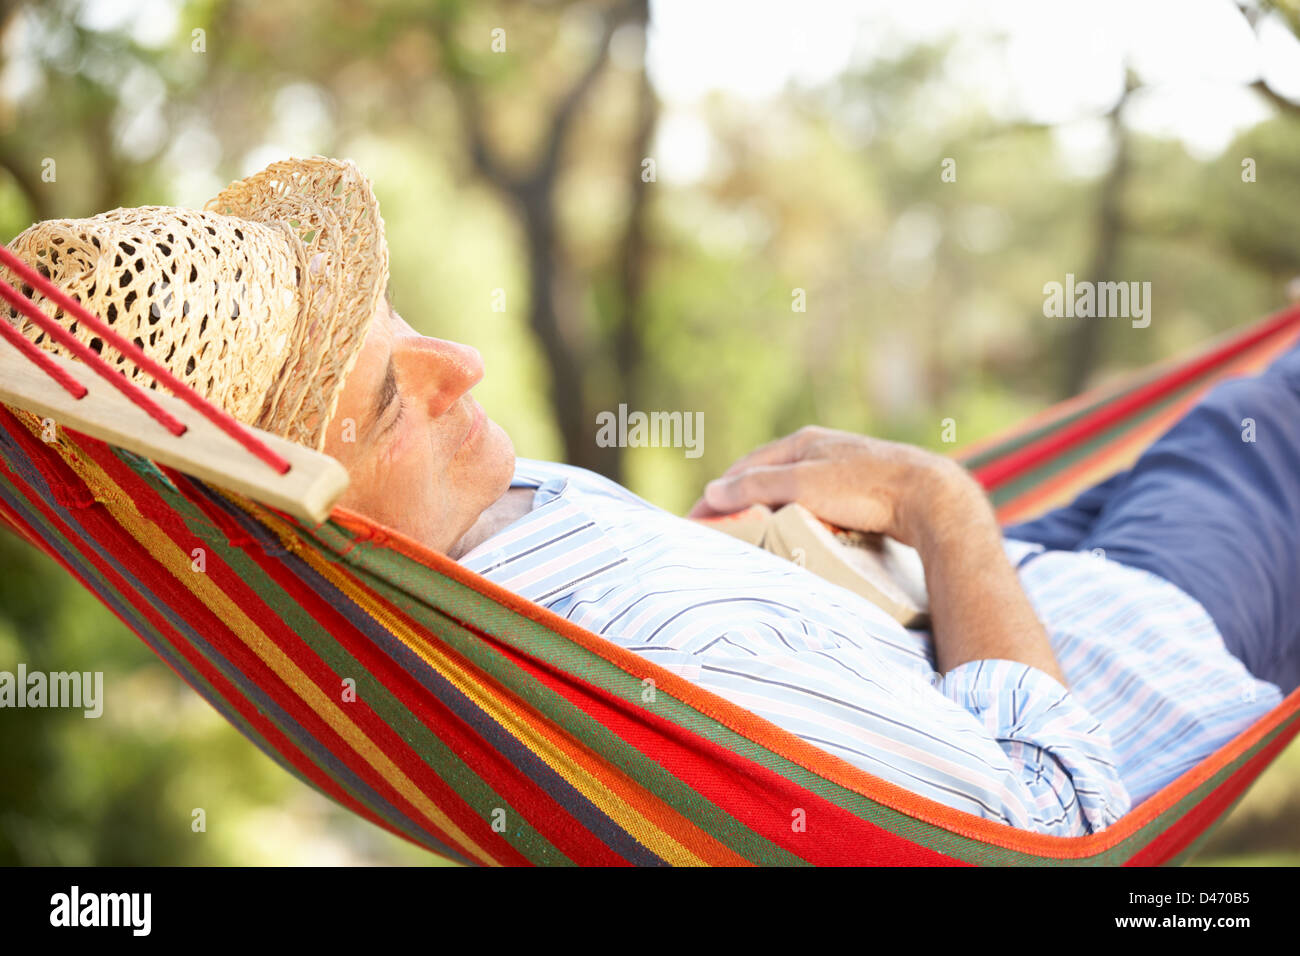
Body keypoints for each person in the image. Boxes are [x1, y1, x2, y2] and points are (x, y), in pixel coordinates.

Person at [5, 156, 1291, 838]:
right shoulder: (644, 672)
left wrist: (752, 559)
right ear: (306, 520)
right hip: (1127, 639)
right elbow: (1063, 817)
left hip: (977, 595)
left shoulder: (466, 576)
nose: (464, 366)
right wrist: (935, 496)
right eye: (394, 397)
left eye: (406, 329)